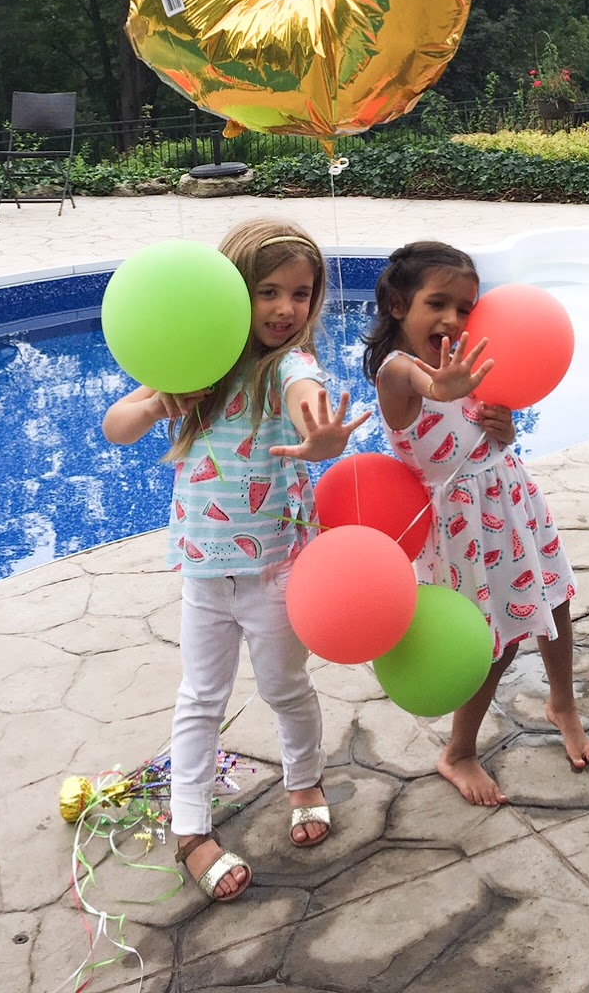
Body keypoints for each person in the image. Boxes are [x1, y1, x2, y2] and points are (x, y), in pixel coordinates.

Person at [103, 217, 366, 902]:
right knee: (199, 697)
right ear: (231, 294)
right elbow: (115, 426)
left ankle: (303, 779)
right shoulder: (194, 365)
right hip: (203, 570)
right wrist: (159, 399)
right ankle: (190, 830)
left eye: (302, 294)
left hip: (275, 572)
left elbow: (307, 399)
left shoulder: (289, 367)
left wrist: (322, 441)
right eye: (268, 291)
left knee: (285, 688)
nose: (286, 309)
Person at [363, 240, 589, 807]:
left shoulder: (465, 365)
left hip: (512, 499)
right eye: (437, 303)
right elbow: (416, 386)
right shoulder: (402, 371)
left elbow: (482, 430)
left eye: (466, 308)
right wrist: (443, 387)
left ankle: (562, 703)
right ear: (398, 305)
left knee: (555, 599)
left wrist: (503, 426)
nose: (452, 320)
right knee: (492, 642)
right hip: (464, 529)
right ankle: (458, 751)